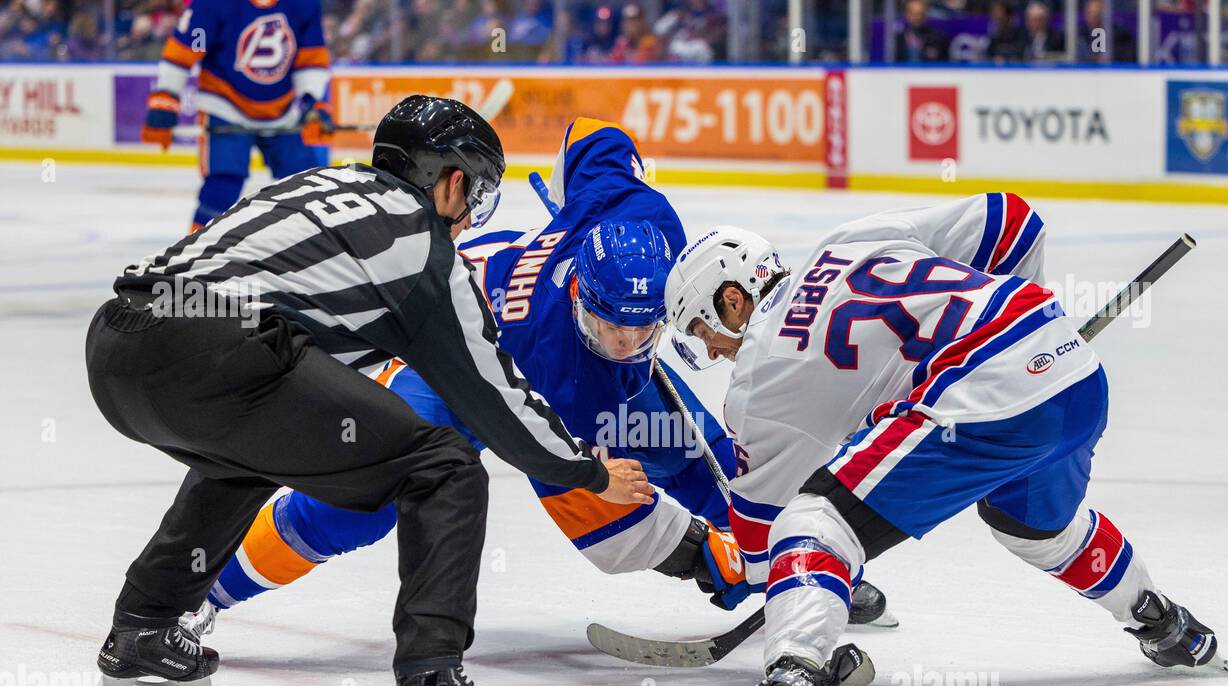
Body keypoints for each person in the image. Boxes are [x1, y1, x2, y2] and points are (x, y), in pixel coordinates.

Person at [85, 95, 651, 686]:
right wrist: (589, 474)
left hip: (117, 344)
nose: (472, 214)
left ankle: (142, 635)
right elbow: (495, 398)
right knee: (445, 466)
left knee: (243, 458)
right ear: (449, 181)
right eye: (474, 192)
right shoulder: (421, 245)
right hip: (215, 353)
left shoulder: (319, 186)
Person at [197, 117, 894, 632]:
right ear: (576, 297)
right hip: (456, 361)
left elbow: (590, 133)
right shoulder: (564, 375)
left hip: (545, 352)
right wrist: (708, 561)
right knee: (358, 500)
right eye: (607, 325)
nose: (624, 343)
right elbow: (599, 523)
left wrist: (575, 197)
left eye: (641, 329)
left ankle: (796, 563)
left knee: (704, 460)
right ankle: (204, 592)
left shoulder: (636, 214)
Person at [662, 194, 1228, 686]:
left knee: (815, 523)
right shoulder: (851, 239)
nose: (709, 349)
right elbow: (1013, 221)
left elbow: (768, 549)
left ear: (732, 299)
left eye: (699, 329)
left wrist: (787, 577)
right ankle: (1166, 624)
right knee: (1034, 530)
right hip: (1070, 371)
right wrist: (1014, 339)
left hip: (986, 393)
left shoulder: (758, 384)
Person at [140, 0, 335, 231]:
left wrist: (313, 102)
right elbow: (186, 50)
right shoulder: (212, 5)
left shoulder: (303, 4)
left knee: (305, 186)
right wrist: (166, 98)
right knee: (222, 187)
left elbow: (310, 57)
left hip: (284, 112)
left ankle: (310, 248)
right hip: (225, 108)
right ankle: (198, 254)